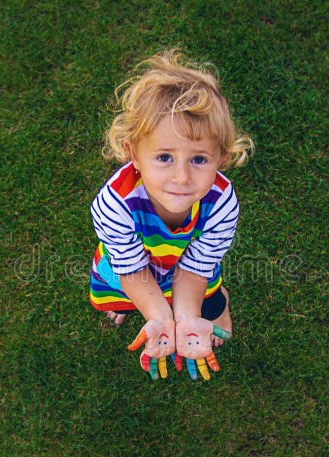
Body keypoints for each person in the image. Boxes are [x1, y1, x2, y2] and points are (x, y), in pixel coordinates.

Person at [89, 49, 253, 380]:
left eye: (199, 159)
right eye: (165, 157)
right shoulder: (115, 204)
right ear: (134, 154)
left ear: (221, 159)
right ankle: (132, 307)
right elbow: (131, 268)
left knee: (209, 297)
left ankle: (218, 305)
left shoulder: (221, 203)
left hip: (187, 268)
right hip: (132, 270)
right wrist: (160, 317)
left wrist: (188, 317)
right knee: (122, 299)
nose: (181, 177)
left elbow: (196, 267)